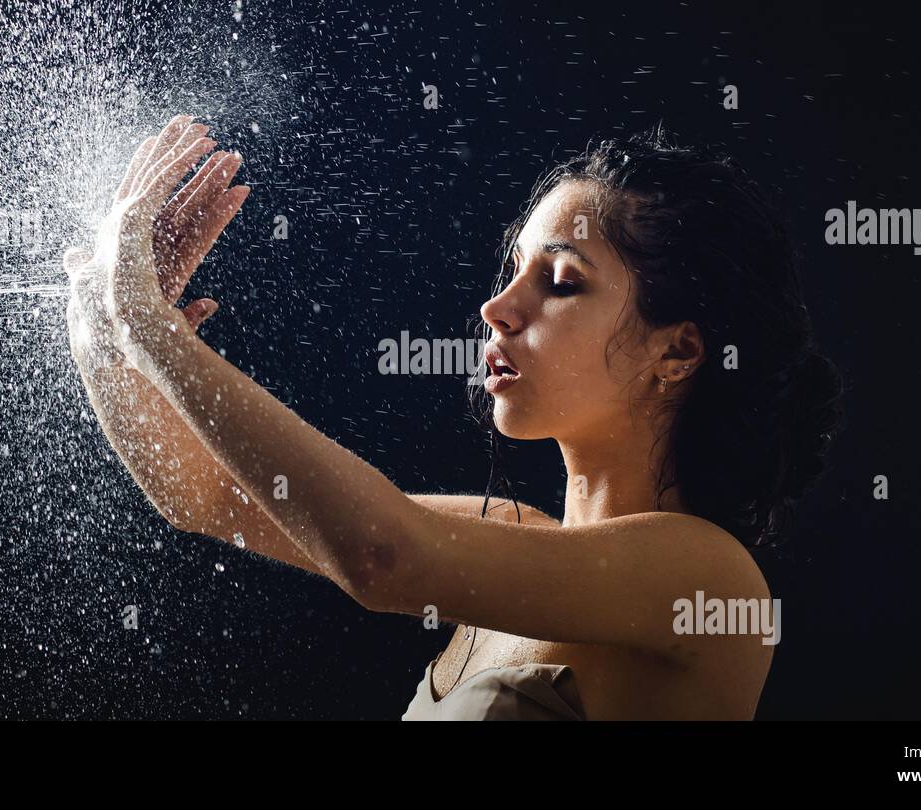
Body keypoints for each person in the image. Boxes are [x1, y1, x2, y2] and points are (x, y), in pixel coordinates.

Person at [65, 114, 845, 720]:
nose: (497, 308)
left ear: (677, 353)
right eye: (513, 271)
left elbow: (381, 559)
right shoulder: (503, 530)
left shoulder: (706, 577)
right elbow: (200, 498)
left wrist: (148, 326)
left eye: (561, 282)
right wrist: (105, 329)